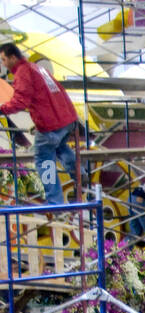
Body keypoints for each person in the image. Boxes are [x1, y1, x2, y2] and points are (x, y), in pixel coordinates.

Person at [0, 43, 79, 206]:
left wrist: (1, 110)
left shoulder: (23, 73)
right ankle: (79, 173)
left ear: (13, 57)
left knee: (44, 159)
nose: (3, 64)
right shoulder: (37, 68)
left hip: (50, 124)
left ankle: (55, 201)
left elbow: (20, 101)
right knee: (61, 147)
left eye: (4, 59)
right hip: (66, 119)